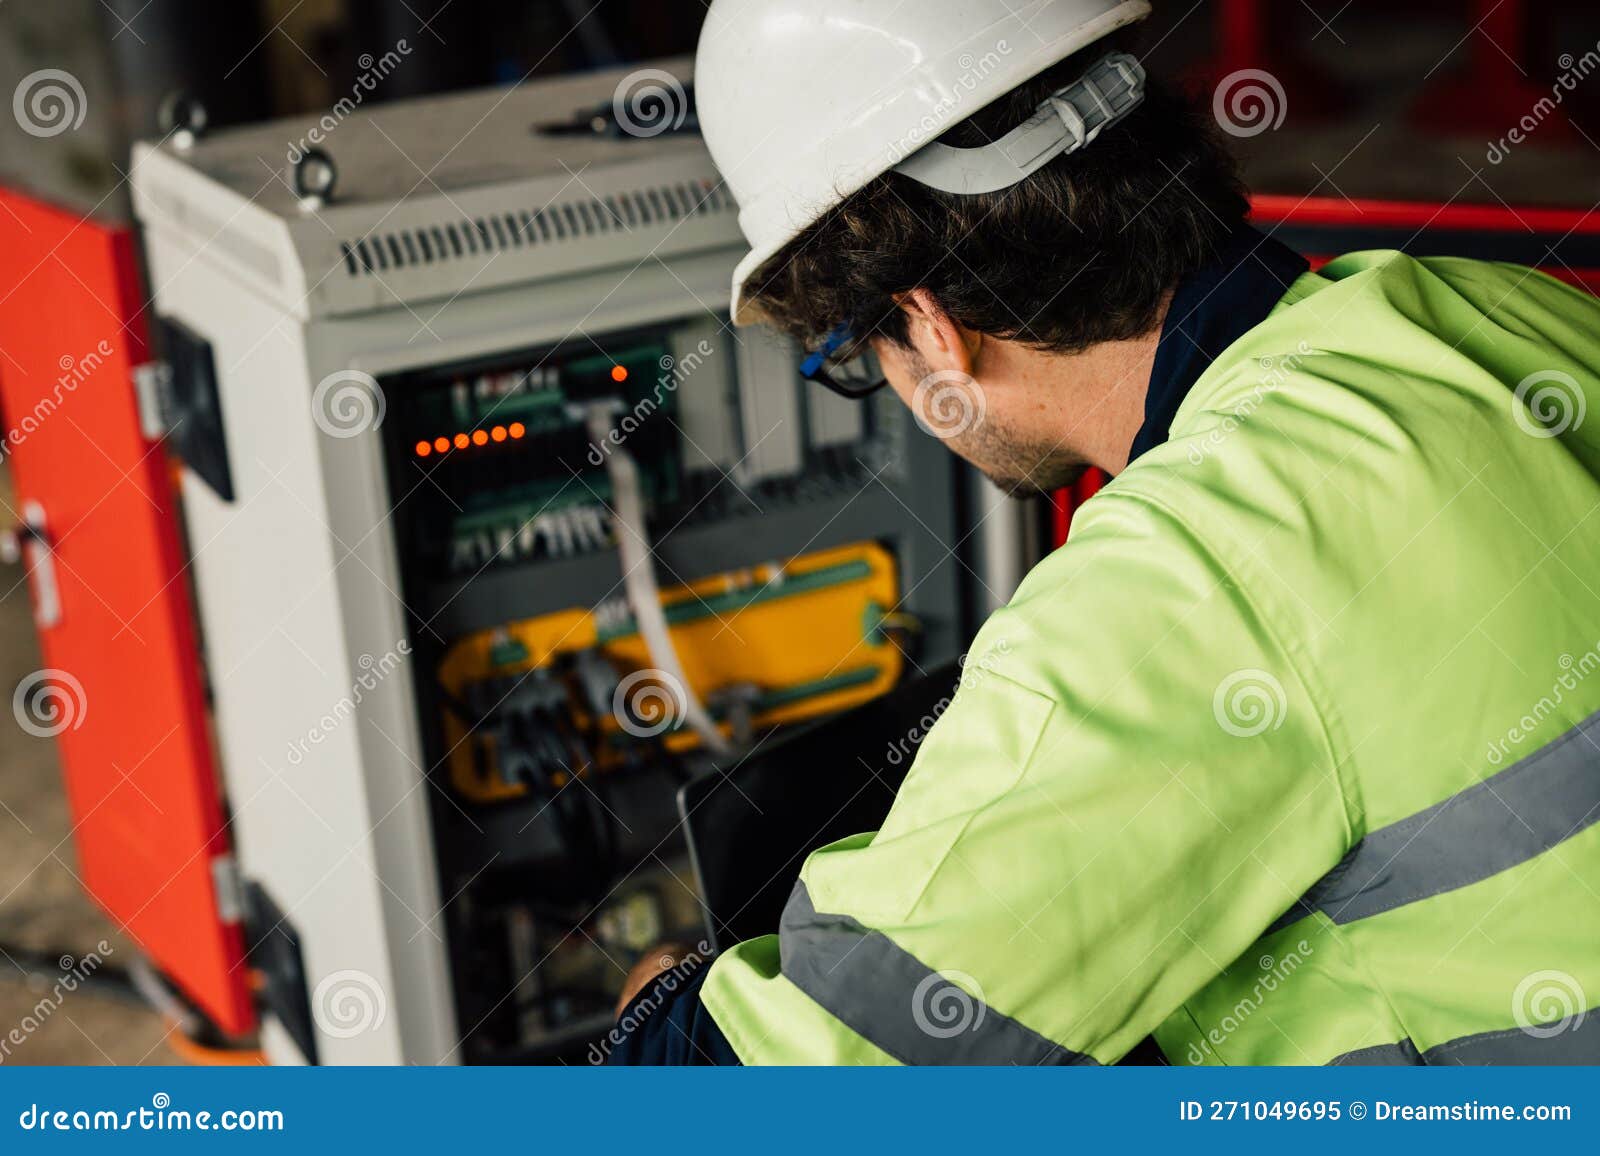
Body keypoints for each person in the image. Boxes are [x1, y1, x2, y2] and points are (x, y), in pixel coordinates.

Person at [609, 0, 1600, 1065]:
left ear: (932, 330)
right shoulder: (1507, 313)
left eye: (858, 354)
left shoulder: (1188, 579)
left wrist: (654, 1008)